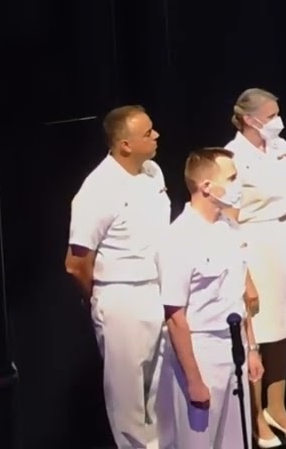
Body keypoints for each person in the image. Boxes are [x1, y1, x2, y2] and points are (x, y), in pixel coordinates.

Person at [65, 105, 169, 449]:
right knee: (128, 397)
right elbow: (76, 262)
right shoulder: (97, 189)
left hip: (160, 289)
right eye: (147, 133)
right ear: (125, 145)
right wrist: (99, 297)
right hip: (122, 296)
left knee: (162, 388)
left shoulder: (153, 173)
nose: (156, 136)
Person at [157, 148, 265, 448]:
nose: (237, 185)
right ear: (206, 186)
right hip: (200, 351)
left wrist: (252, 348)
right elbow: (175, 316)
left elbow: (238, 297)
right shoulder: (178, 239)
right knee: (200, 440)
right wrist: (194, 379)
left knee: (235, 439)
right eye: (231, 178)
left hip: (234, 349)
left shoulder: (229, 228)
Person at [225, 88, 286, 446]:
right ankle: (255, 414)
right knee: (258, 329)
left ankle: (277, 405)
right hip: (255, 244)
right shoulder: (233, 156)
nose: (276, 121)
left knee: (285, 325)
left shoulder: (282, 148)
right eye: (270, 116)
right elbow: (228, 214)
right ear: (248, 118)